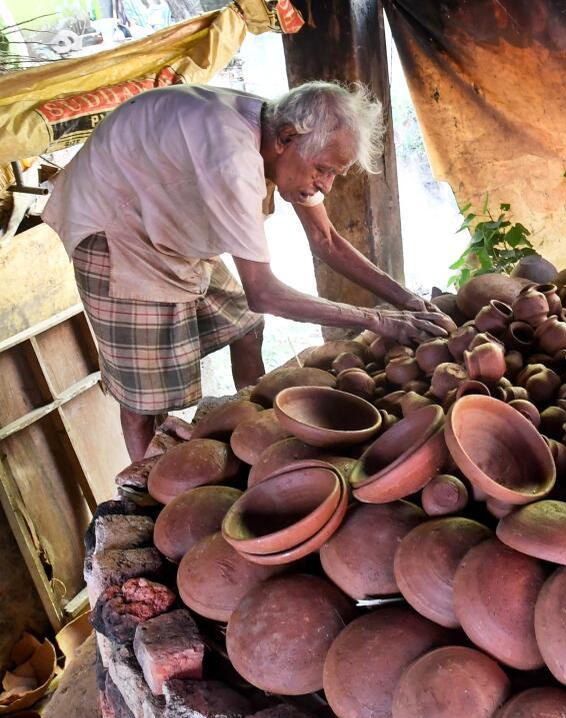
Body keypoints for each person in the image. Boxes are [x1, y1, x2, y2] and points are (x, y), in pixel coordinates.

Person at [42, 80, 445, 460]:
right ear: (286, 138)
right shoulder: (234, 159)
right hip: (115, 232)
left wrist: (408, 301)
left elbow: (327, 240)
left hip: (166, 221)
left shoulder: (282, 134)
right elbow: (264, 292)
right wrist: (379, 321)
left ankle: (257, 424)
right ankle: (147, 493)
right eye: (323, 169)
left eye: (334, 173)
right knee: (144, 400)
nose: (325, 185)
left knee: (246, 327)